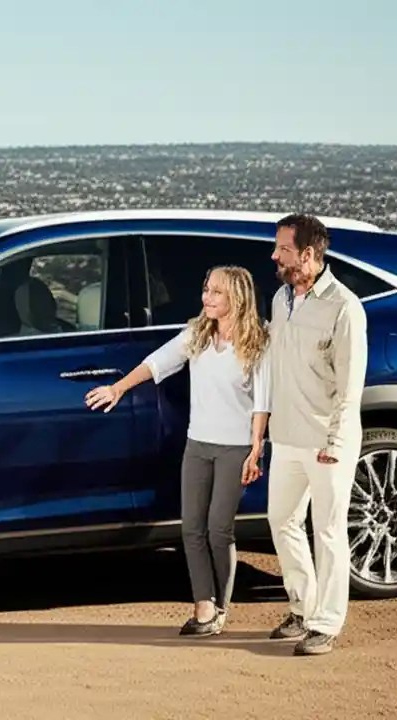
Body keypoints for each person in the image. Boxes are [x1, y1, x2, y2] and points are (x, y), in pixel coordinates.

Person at [85, 265, 271, 637]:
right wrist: (118, 389)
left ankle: (221, 606)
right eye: (206, 289)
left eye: (216, 292)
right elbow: (157, 363)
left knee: (219, 529)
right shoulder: (197, 335)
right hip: (198, 444)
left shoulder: (258, 343)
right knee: (192, 528)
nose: (207, 297)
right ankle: (204, 605)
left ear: (237, 297)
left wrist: (255, 450)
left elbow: (262, 403)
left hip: (235, 447)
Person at [264, 212, 368, 656]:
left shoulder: (345, 308)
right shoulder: (279, 299)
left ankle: (326, 622)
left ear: (308, 255)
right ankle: (303, 607)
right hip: (285, 437)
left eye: (283, 249)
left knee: (326, 530)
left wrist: (336, 442)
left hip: (327, 442)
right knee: (282, 521)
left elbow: (350, 386)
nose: (275, 255)